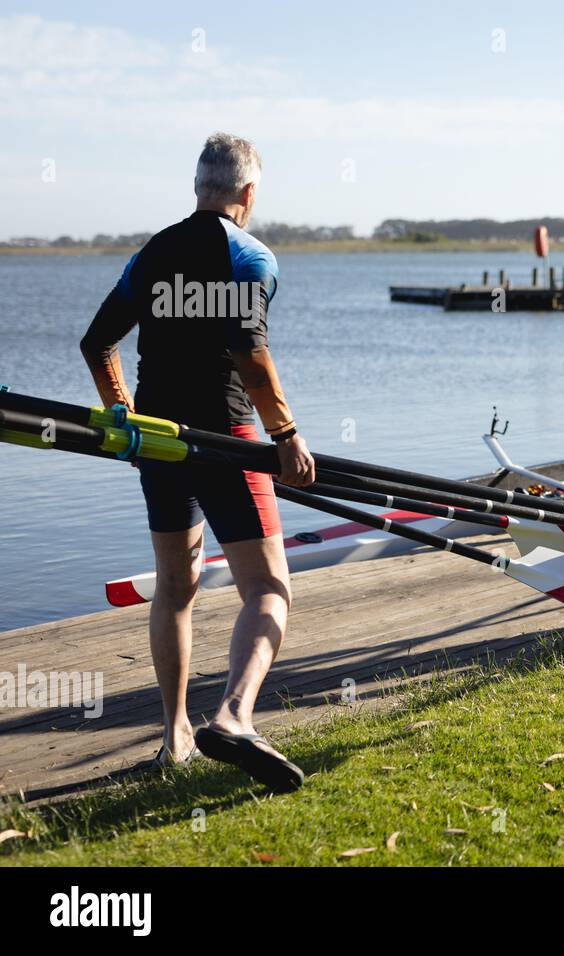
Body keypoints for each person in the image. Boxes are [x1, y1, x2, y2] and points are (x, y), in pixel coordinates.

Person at [79, 133, 315, 792]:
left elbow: (97, 343)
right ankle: (235, 717)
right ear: (248, 194)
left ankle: (175, 737)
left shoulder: (150, 253)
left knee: (174, 589)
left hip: (158, 439)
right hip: (230, 439)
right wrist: (287, 433)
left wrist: (124, 421)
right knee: (268, 588)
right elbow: (250, 355)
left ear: (197, 188)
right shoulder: (250, 255)